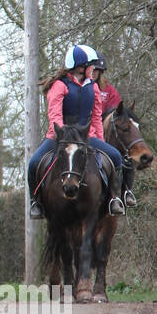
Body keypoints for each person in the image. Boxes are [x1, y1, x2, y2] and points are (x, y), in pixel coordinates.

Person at [27, 43, 124, 220]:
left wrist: (100, 140)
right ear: (81, 66)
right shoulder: (59, 85)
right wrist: (63, 134)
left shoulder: (93, 87)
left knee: (116, 157)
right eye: (91, 65)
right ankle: (36, 202)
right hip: (59, 136)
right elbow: (54, 115)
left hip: (86, 136)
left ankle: (115, 198)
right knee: (33, 163)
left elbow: (96, 117)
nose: (94, 69)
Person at [88, 54, 137, 207]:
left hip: (106, 129)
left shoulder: (108, 90)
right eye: (93, 69)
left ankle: (127, 191)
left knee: (127, 155)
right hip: (85, 129)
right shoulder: (83, 87)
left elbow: (117, 111)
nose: (95, 72)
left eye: (98, 70)